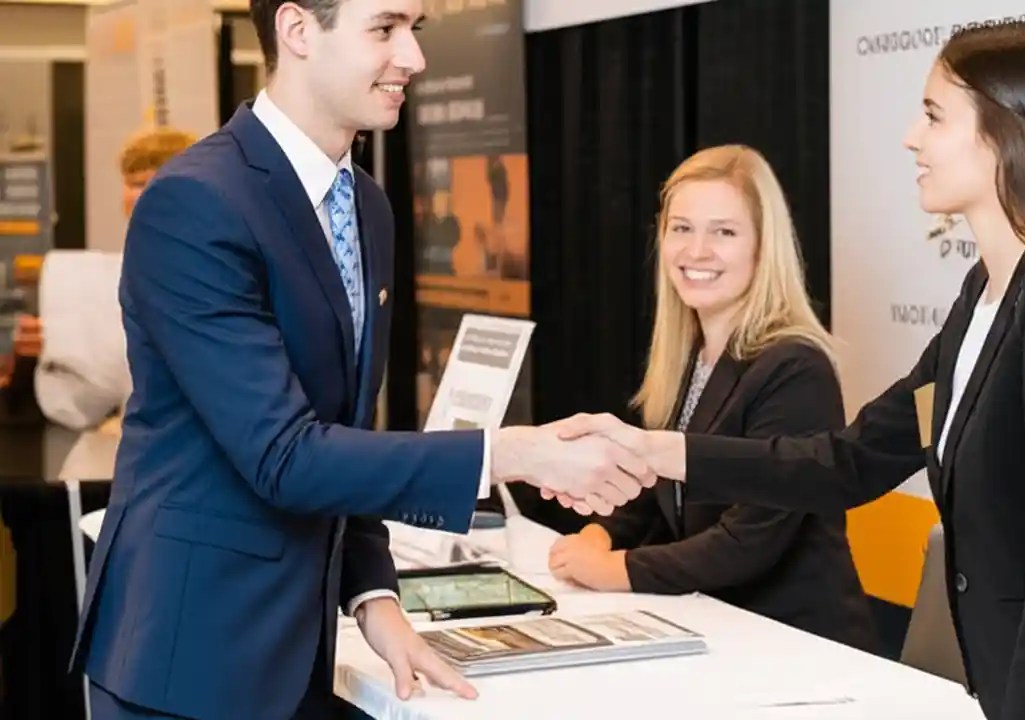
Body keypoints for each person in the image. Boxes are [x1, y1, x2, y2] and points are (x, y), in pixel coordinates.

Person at [554, 22, 1025, 720]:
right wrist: (661, 451)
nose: (910, 139)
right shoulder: (985, 294)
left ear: (1008, 132)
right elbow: (851, 462)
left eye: (932, 116)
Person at [71, 2, 652, 719]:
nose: (413, 58)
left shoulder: (366, 205)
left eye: (415, 30)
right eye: (384, 30)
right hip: (190, 656)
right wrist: (513, 454)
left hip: (299, 649)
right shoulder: (195, 202)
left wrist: (376, 599)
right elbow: (285, 455)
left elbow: (342, 425)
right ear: (297, 30)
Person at [546, 145, 879, 653]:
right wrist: (601, 534)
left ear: (763, 247)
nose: (696, 251)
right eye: (681, 228)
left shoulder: (795, 367)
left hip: (797, 650)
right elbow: (660, 496)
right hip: (715, 630)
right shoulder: (689, 358)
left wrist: (617, 568)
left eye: (723, 232)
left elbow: (751, 539)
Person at [25, 127, 198, 431]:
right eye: (135, 183)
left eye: (157, 181)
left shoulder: (224, 271)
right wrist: (38, 354)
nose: (144, 194)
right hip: (125, 446)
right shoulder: (95, 281)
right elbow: (79, 402)